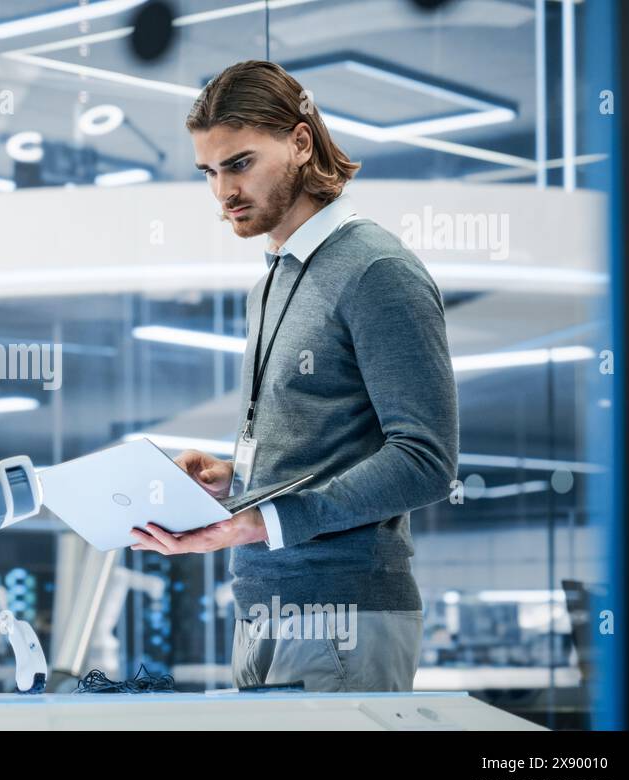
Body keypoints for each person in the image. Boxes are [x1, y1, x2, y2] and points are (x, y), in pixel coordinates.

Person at [129, 61, 459, 693]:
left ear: (302, 143)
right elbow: (322, 443)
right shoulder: (272, 281)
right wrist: (242, 482)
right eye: (210, 171)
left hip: (342, 611)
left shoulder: (377, 271)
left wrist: (267, 519)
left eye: (241, 163)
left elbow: (426, 459)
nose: (223, 190)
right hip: (261, 601)